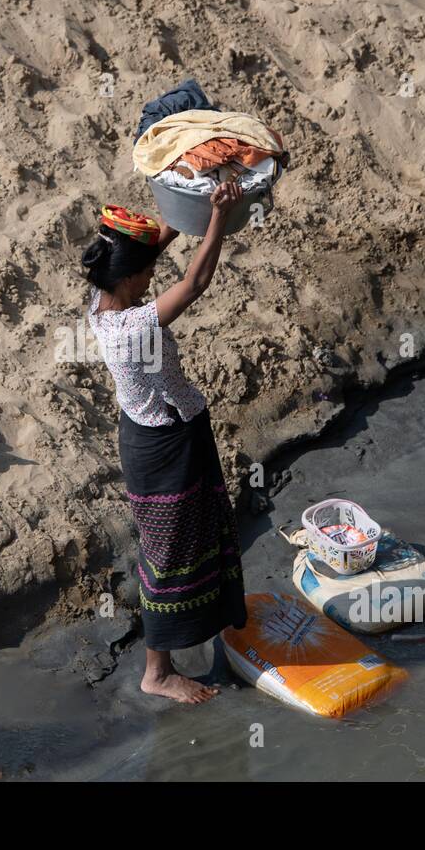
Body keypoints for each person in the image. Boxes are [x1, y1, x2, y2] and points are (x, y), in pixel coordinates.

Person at [82, 182, 248, 704]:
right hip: (160, 447)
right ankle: (157, 672)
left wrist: (196, 199)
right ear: (130, 279)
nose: (155, 272)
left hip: (170, 432)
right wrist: (219, 218)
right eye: (148, 270)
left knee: (197, 537)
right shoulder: (128, 327)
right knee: (168, 553)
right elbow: (196, 282)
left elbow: (152, 248)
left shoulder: (103, 295)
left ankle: (216, 625)